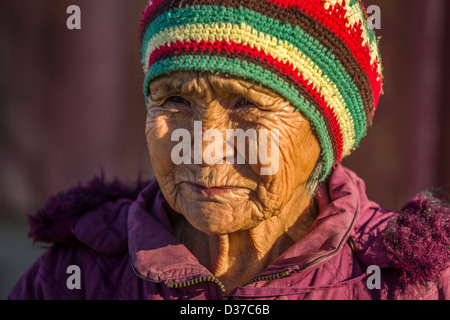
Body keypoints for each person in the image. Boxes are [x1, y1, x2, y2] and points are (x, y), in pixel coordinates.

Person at [9, 0, 449, 300]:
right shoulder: (75, 279)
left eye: (247, 104)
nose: (203, 148)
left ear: (327, 138)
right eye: (175, 100)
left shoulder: (416, 284)